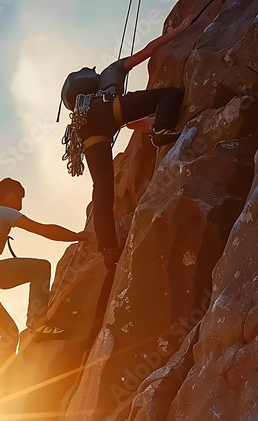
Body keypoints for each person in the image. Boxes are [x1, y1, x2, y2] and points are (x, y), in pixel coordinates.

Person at [60, 15, 195, 264]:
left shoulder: (82, 112)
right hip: (108, 110)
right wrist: (180, 30)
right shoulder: (111, 71)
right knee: (169, 94)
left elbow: (131, 123)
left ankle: (108, 250)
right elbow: (148, 50)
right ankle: (163, 128)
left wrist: (151, 128)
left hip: (88, 135)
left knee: (102, 190)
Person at [0, 178, 96, 402]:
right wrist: (79, 236)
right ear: (10, 194)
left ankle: (2, 393)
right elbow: (44, 230)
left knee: (8, 334)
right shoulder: (4, 212)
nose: (21, 203)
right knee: (41, 267)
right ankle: (38, 324)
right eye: (20, 197)